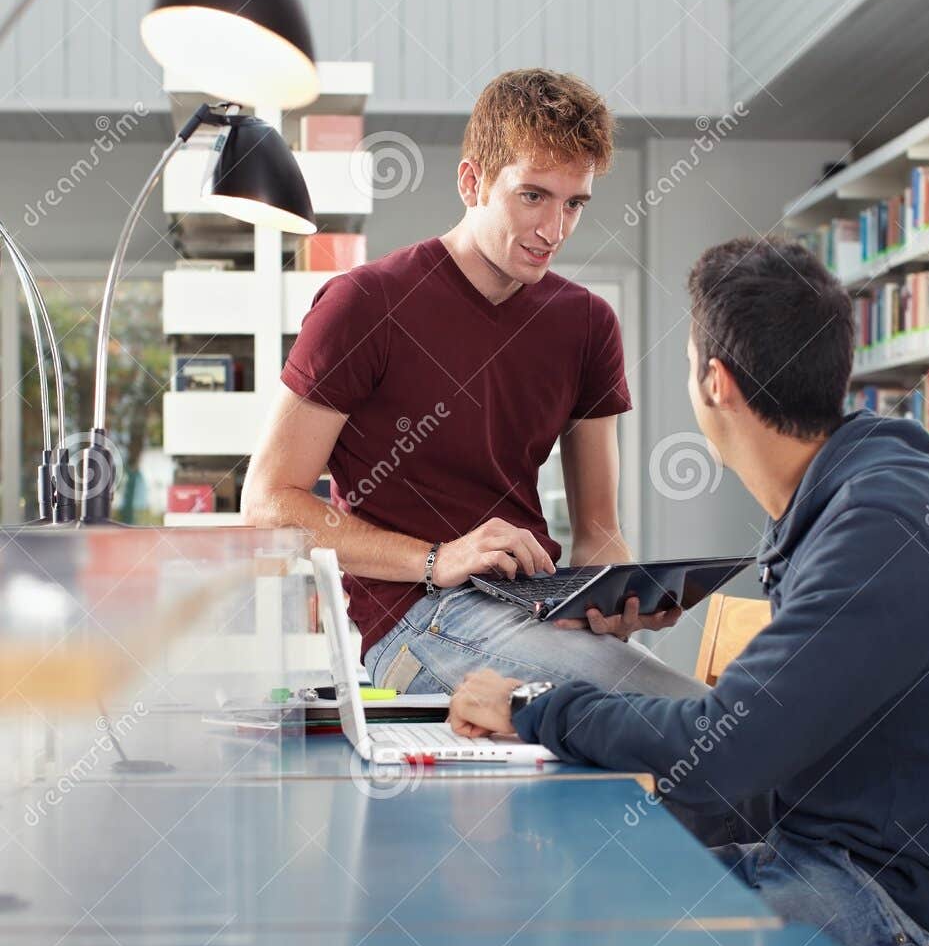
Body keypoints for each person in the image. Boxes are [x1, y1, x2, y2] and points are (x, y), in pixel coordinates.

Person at [448, 238, 929, 946]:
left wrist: (538, 709)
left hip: (909, 913)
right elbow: (752, 747)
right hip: (842, 862)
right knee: (566, 890)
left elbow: (725, 751)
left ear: (715, 383)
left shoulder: (880, 524)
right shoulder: (843, 506)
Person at [242, 67, 697, 699]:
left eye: (574, 203)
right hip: (415, 622)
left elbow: (599, 531)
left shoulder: (587, 324)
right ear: (472, 180)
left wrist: (617, 599)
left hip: (538, 608)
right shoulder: (366, 303)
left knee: (673, 718)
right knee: (680, 711)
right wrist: (438, 558)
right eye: (532, 196)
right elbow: (267, 504)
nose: (555, 230)